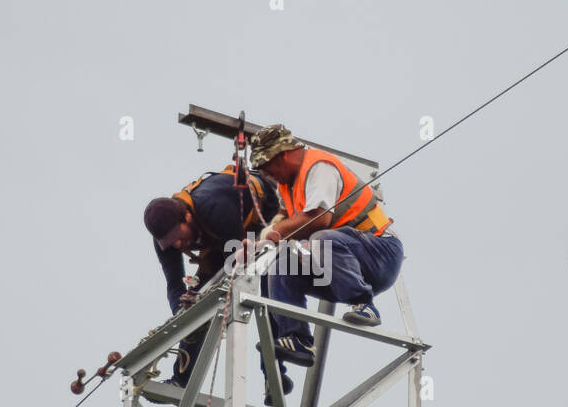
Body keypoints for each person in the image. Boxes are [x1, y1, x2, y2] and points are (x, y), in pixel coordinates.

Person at [244, 124, 404, 373]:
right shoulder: (286, 182)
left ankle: (364, 304)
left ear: (282, 155)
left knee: (321, 238)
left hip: (379, 254)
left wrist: (271, 235)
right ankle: (297, 339)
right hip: (342, 263)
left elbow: (319, 219)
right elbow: (285, 216)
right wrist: (262, 241)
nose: (266, 174)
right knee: (282, 261)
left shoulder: (319, 167)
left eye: (266, 167)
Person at [143, 165, 280, 386]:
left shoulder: (214, 206)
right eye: (171, 243)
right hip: (227, 240)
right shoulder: (165, 243)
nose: (178, 245)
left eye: (179, 236)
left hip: (262, 215)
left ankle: (274, 370)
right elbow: (174, 284)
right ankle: (181, 379)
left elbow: (237, 262)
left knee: (266, 283)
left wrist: (207, 279)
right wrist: (182, 311)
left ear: (186, 217)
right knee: (193, 304)